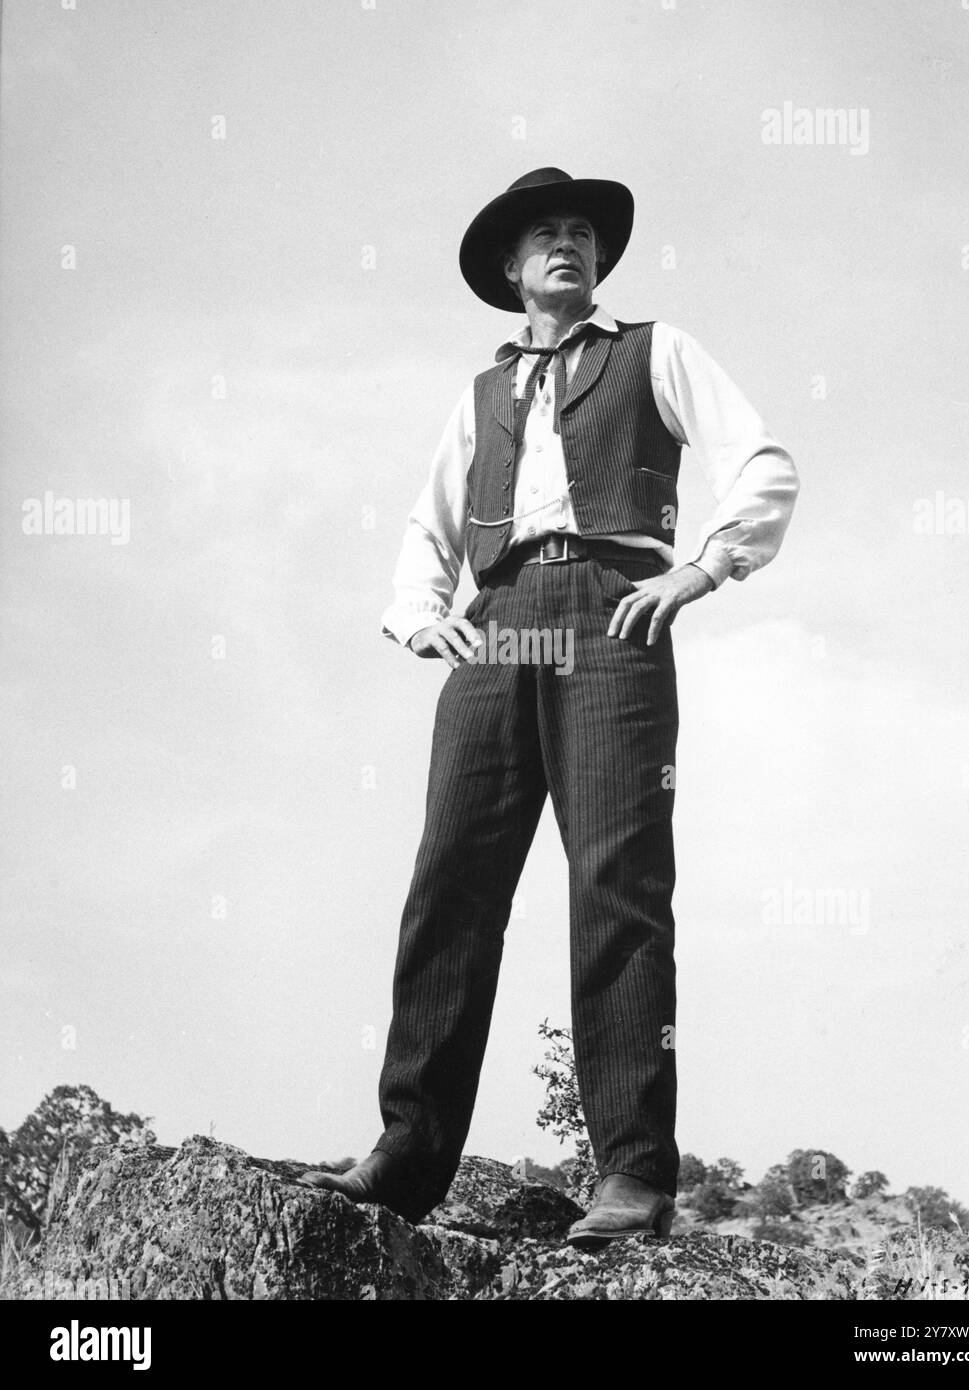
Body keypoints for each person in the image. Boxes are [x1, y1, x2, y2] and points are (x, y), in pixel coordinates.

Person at [302, 168, 799, 1247]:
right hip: (502, 617)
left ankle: (630, 1175)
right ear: (511, 270)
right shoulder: (476, 396)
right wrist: (417, 615)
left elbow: (759, 461)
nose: (568, 245)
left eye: (581, 232)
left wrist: (703, 568)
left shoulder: (655, 349)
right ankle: (405, 1153)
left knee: (617, 884)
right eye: (546, 236)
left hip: (613, 609)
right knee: (451, 880)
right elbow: (425, 527)